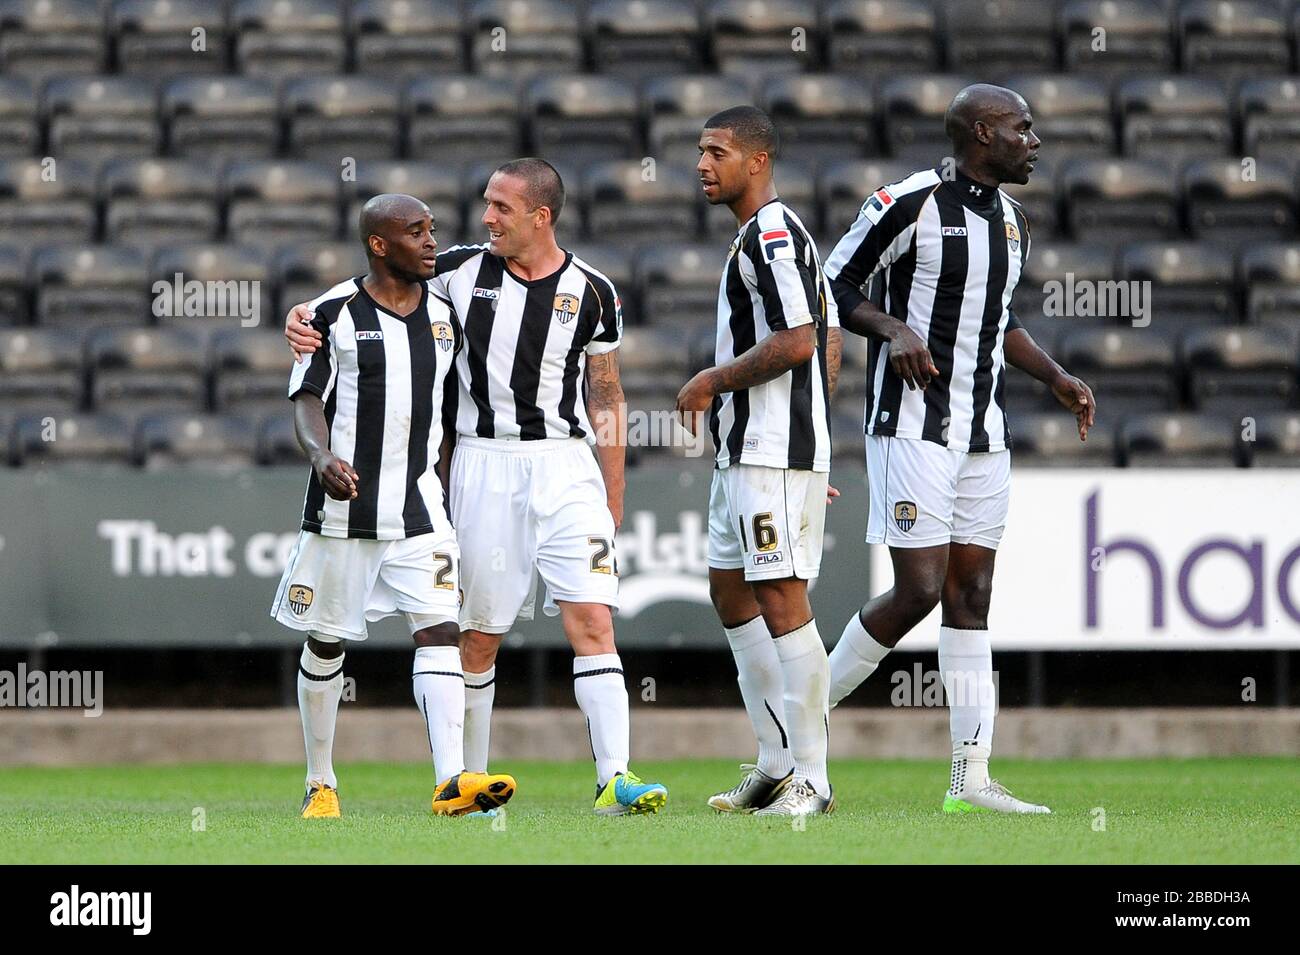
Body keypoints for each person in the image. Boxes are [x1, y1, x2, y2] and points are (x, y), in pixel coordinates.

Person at [285, 161, 668, 815]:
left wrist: (614, 489)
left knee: (593, 618)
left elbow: (606, 390)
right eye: (486, 203)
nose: (485, 217)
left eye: (500, 207)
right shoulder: (458, 271)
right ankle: (471, 779)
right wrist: (303, 318)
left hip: (567, 464)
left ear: (540, 216)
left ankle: (614, 778)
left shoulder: (594, 290)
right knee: (479, 631)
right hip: (482, 465)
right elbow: (372, 289)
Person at [822, 85, 1097, 813]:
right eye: (1022, 128)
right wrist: (893, 329)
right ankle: (798, 725)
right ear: (984, 132)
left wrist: (1058, 377)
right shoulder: (907, 203)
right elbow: (833, 286)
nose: (1034, 141)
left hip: (984, 433)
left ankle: (971, 781)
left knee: (971, 597)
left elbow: (999, 325)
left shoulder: (1013, 222)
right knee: (918, 591)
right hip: (912, 426)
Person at [271, 193, 517, 818]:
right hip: (346, 511)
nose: (432, 241)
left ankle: (450, 781)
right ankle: (320, 781)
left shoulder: (445, 304)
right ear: (380, 245)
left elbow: (485, 249)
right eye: (416, 232)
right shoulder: (331, 312)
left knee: (440, 632)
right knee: (328, 642)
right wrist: (320, 457)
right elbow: (306, 399)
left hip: (420, 509)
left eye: (433, 230)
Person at [676, 106, 843, 815]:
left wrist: (711, 381)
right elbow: (830, 337)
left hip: (769, 450)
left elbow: (801, 339)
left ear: (758, 160)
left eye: (718, 152)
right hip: (753, 451)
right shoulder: (766, 236)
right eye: (701, 152)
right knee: (730, 590)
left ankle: (813, 775)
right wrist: (815, 439)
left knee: (780, 597)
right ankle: (776, 762)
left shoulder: (772, 232)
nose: (703, 164)